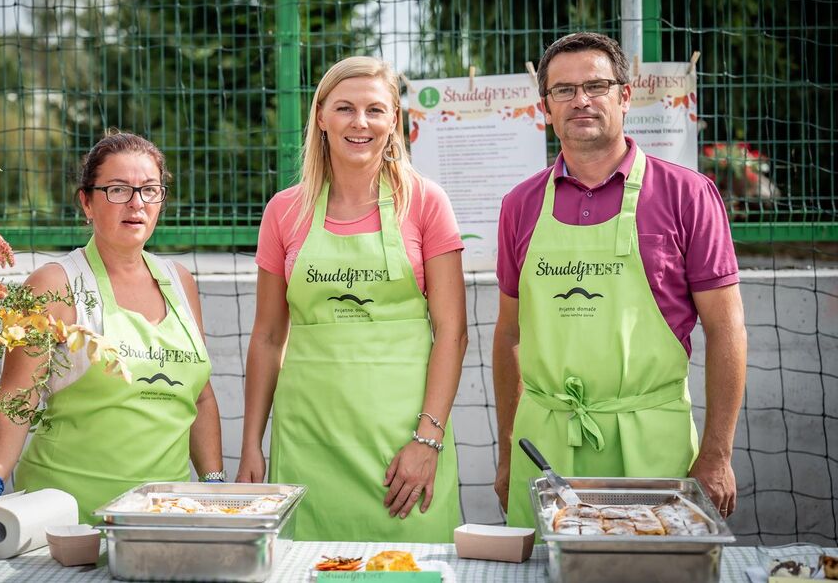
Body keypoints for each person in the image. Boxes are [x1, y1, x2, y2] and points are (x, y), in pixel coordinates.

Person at [492, 32, 747, 527]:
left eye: (596, 85)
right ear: (545, 107)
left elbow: (727, 329)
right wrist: (507, 451)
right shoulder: (519, 205)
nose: (580, 100)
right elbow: (509, 334)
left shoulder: (687, 195)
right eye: (563, 90)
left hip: (652, 445)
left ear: (625, 96)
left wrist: (716, 455)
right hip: (545, 450)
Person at [236, 56, 467, 542]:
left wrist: (428, 440)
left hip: (403, 448)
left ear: (394, 121)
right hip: (308, 444)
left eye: (375, 110)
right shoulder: (283, 212)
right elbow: (268, 336)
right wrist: (251, 445)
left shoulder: (426, 202)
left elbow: (452, 332)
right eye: (344, 108)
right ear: (321, 117)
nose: (360, 123)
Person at [0, 132, 224, 523]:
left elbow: (201, 397)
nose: (136, 203)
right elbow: (17, 399)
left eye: (149, 190)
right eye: (118, 190)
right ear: (86, 202)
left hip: (158, 521)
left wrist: (213, 483)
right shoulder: (55, 284)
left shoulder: (179, 281)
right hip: (65, 521)